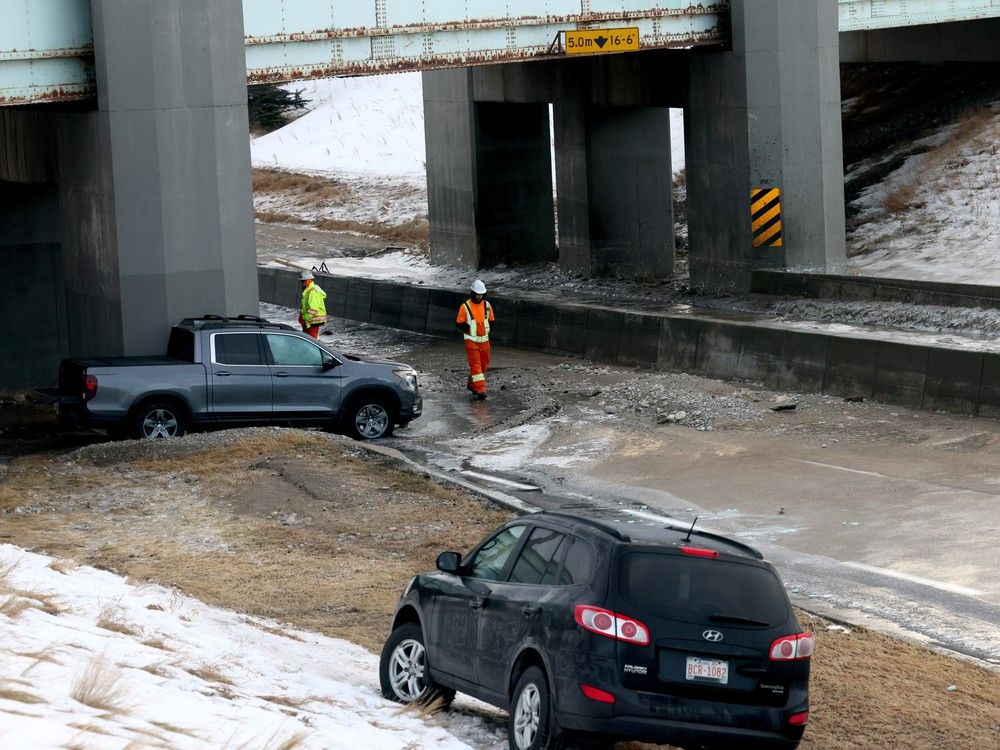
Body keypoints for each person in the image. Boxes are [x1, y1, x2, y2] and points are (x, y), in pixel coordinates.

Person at [456, 279, 495, 400]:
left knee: (483, 365)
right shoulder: (465, 307)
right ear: (472, 293)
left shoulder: (487, 306)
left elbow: (491, 321)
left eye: (481, 294)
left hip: (484, 342)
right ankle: (480, 390)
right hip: (471, 342)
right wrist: (470, 331)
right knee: (476, 366)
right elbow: (459, 323)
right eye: (477, 294)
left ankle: (472, 384)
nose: (479, 297)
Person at [298, 270, 327, 339]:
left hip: (312, 322)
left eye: (302, 281)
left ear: (307, 281)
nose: (301, 283)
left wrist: (305, 318)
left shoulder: (313, 291)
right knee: (308, 342)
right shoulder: (309, 290)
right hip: (310, 322)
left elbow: (313, 309)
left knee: (310, 342)